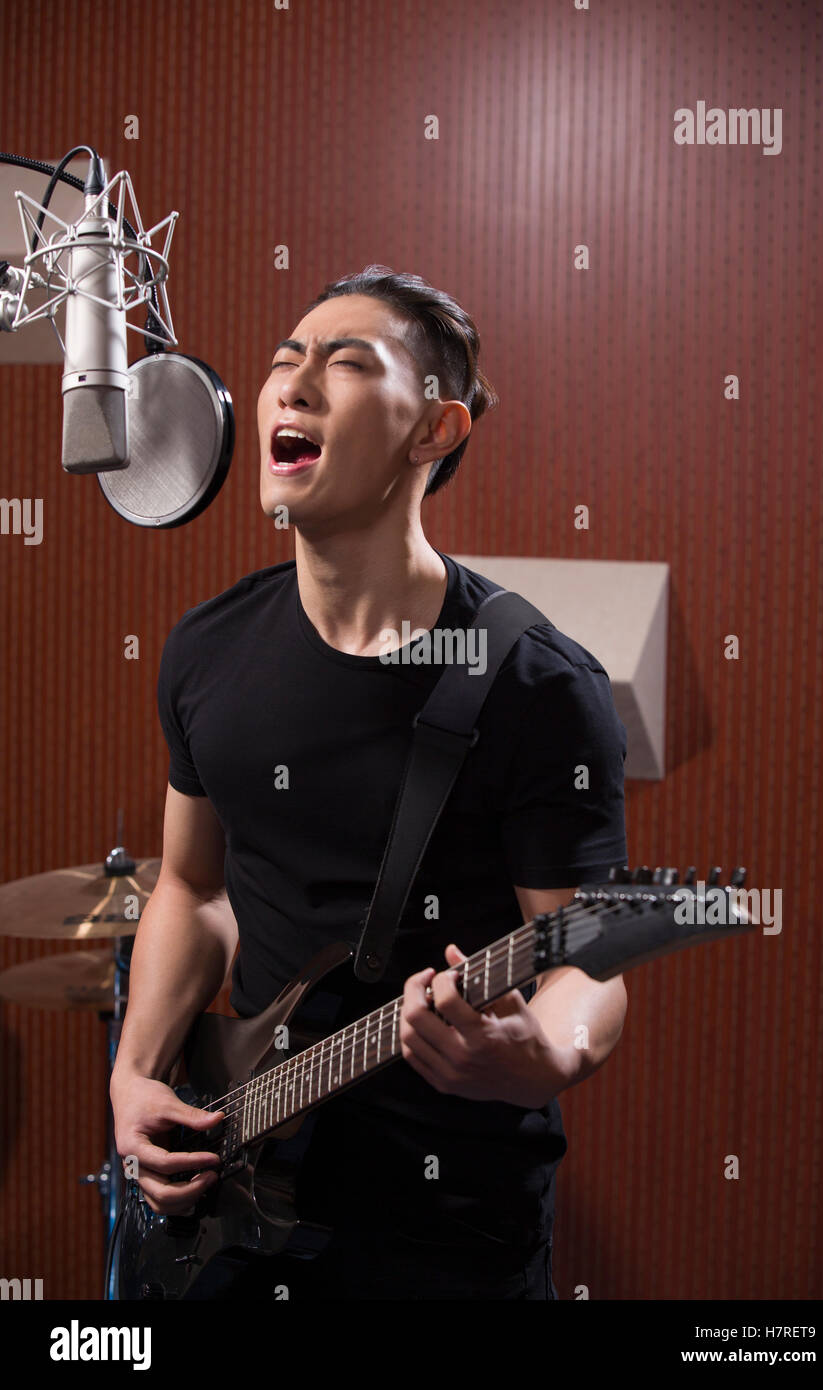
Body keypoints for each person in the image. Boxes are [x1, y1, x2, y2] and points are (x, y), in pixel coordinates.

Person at [110, 265, 629, 1301]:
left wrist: (540, 1056)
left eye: (344, 365)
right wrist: (134, 1074)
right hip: (241, 1180)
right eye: (282, 364)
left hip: (444, 1221)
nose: (291, 386)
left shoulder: (532, 683)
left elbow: (591, 961)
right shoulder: (207, 648)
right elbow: (191, 887)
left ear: (432, 431)